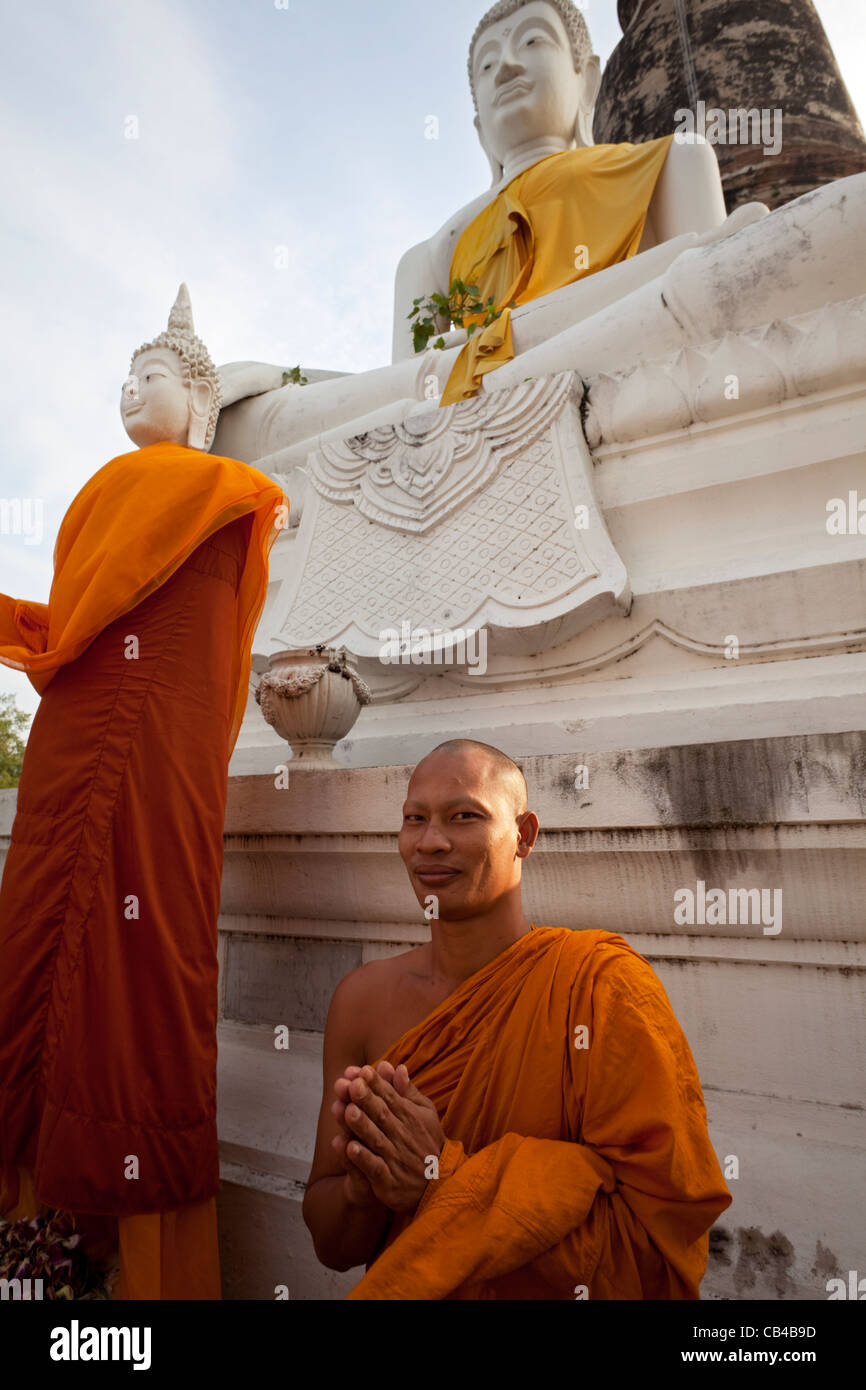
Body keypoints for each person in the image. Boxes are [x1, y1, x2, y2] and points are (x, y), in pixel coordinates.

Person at [0, 285, 287, 1299]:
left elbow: (191, 661)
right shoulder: (102, 492)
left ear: (201, 402)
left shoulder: (217, 493)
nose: (131, 388)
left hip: (152, 766)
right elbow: (77, 626)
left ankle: (141, 1286)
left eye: (154, 375)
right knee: (31, 958)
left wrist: (245, 393)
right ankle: (34, 1258)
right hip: (69, 745)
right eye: (126, 375)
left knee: (136, 981)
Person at [303, 738, 731, 1299]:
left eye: (464, 817)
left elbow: (653, 1246)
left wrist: (441, 1180)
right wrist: (368, 1186)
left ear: (524, 835)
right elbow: (333, 1248)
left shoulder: (599, 988)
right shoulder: (361, 1000)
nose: (431, 842)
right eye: (415, 819)